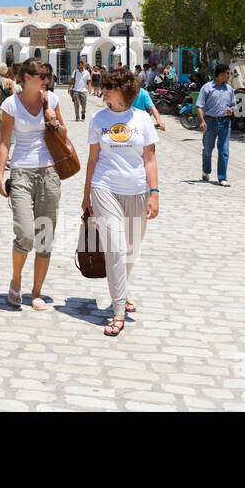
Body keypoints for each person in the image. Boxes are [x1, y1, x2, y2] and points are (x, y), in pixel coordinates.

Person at [82, 69, 159, 337]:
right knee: (114, 248)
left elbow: (149, 158)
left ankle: (122, 292)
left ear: (124, 91)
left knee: (130, 249)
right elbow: (92, 159)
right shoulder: (97, 119)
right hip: (105, 188)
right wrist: (86, 195)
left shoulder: (142, 119)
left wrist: (155, 193)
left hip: (137, 190)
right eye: (103, 86)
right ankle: (118, 311)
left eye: (109, 87)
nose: (103, 91)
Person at [0, 58, 68, 310]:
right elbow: (5, 141)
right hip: (21, 173)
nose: (46, 79)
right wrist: (0, 173)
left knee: (45, 236)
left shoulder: (53, 101)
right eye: (42, 75)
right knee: (25, 234)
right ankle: (16, 280)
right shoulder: (10, 104)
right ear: (27, 77)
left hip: (49, 173)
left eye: (48, 75)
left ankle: (36, 291)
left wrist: (53, 121)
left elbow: (63, 134)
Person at [196, 62, 235, 186]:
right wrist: (202, 121)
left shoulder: (229, 89)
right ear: (221, 74)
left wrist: (231, 110)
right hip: (210, 122)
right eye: (227, 73)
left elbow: (233, 105)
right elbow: (199, 106)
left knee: (224, 150)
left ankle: (222, 178)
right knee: (208, 149)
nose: (229, 75)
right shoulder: (207, 88)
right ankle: (206, 171)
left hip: (225, 122)